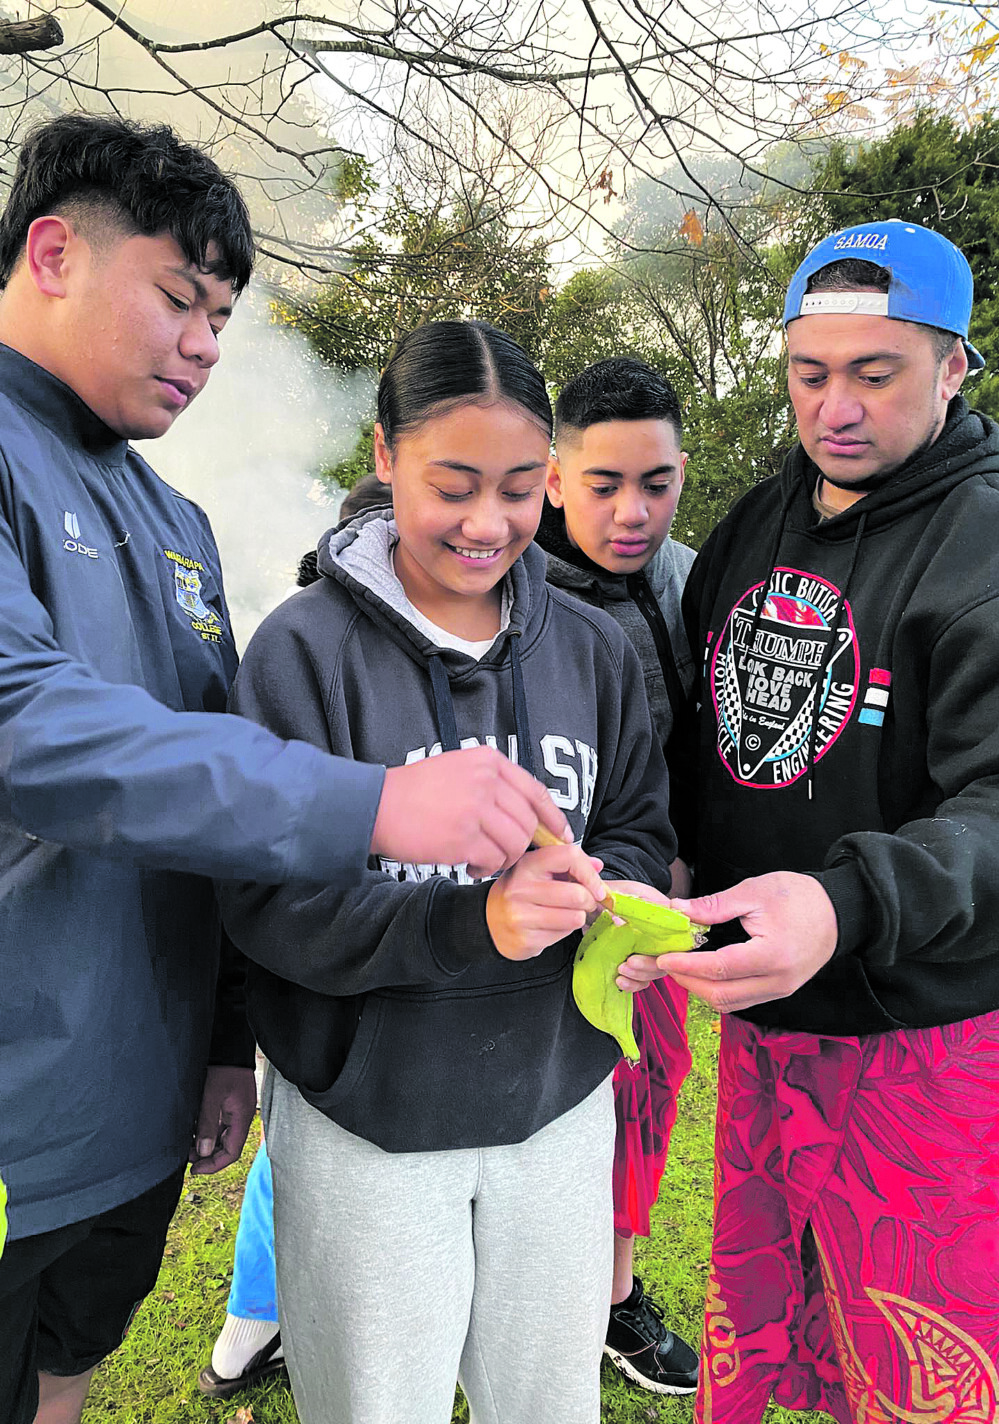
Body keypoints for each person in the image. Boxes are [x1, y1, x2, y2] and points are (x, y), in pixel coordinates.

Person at [0, 116, 573, 1424]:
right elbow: (25, 725)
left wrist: (221, 1041)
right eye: (181, 301)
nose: (207, 344)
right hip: (11, 1112)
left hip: (126, 1123)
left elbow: (212, 803)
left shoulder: (174, 519)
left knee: (63, 1374)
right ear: (52, 253)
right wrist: (375, 802)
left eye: (226, 318)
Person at [620, 220, 999, 1424]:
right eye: (811, 373)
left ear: (955, 366)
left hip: (936, 1036)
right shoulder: (760, 525)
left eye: (877, 372)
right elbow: (708, 721)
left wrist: (844, 899)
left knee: (926, 1363)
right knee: (773, 1331)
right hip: (775, 1023)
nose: (838, 408)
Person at [217, 319, 677, 1424]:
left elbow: (638, 823)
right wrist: (478, 922)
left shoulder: (592, 646)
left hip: (559, 1107)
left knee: (549, 1401)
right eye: (453, 483)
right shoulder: (300, 654)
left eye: (521, 488)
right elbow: (266, 904)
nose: (489, 522)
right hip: (367, 1123)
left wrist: (618, 895)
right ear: (385, 456)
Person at [197, 474, 396, 1402]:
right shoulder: (304, 656)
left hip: (369, 981)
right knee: (298, 1155)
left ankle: (254, 1328)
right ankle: (254, 1329)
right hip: (319, 982)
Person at [538, 357, 699, 1395]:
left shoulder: (690, 572)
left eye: (658, 480)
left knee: (646, 1094)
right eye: (603, 484)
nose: (632, 511)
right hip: (523, 908)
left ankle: (610, 1299)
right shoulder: (506, 577)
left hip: (652, 905)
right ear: (554, 475)